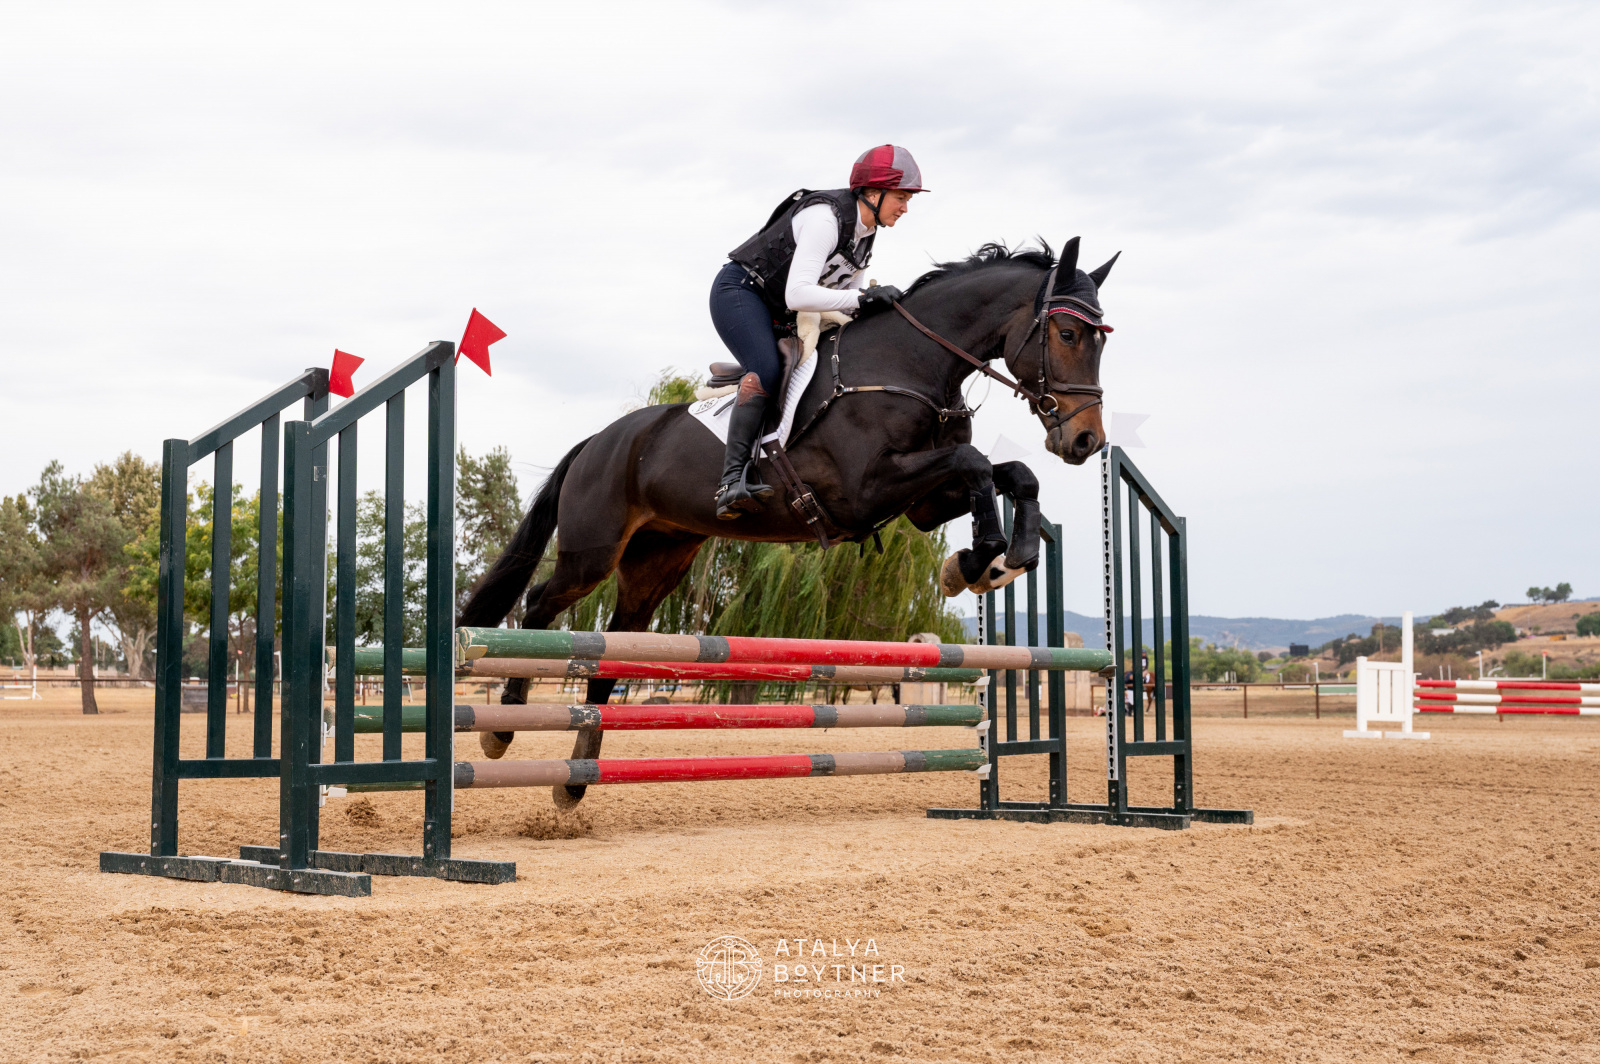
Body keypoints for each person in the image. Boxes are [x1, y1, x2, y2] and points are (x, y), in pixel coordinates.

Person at [708, 145, 927, 519]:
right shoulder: (825, 219)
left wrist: (875, 309)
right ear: (873, 193)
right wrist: (863, 298)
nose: (905, 208)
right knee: (766, 368)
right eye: (901, 197)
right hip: (742, 292)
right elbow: (798, 293)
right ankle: (730, 482)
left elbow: (845, 298)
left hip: (782, 309)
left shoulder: (865, 233)